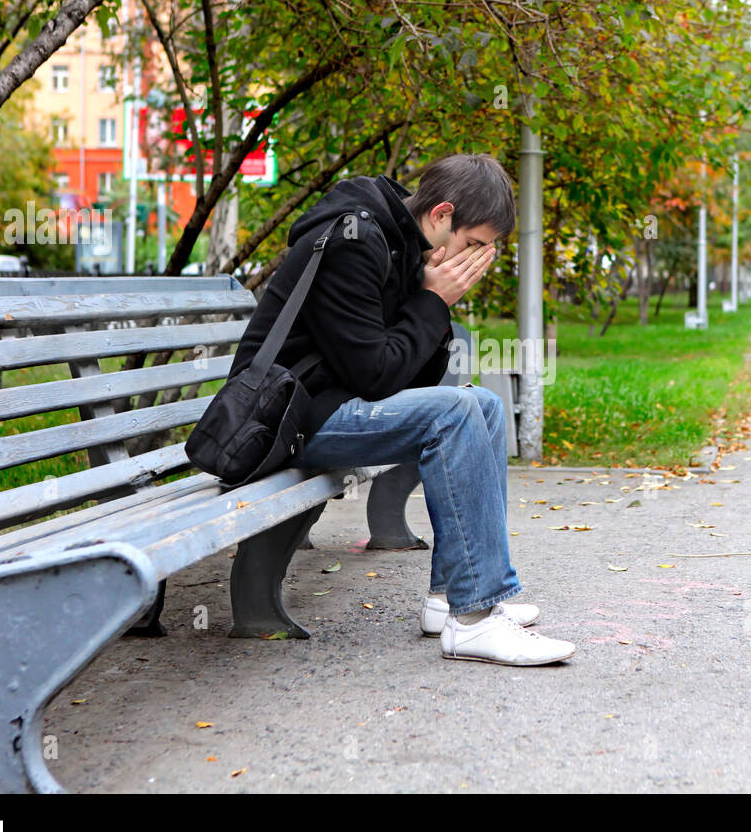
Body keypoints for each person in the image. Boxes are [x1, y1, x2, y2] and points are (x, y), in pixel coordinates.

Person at [227, 153, 575, 666]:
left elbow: (407, 377)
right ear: (442, 215)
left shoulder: (402, 243)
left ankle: (449, 596)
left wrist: (432, 300)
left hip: (335, 403)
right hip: (288, 420)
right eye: (473, 245)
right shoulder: (354, 244)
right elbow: (376, 376)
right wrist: (432, 302)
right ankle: (475, 619)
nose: (472, 260)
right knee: (456, 412)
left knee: (482, 405)